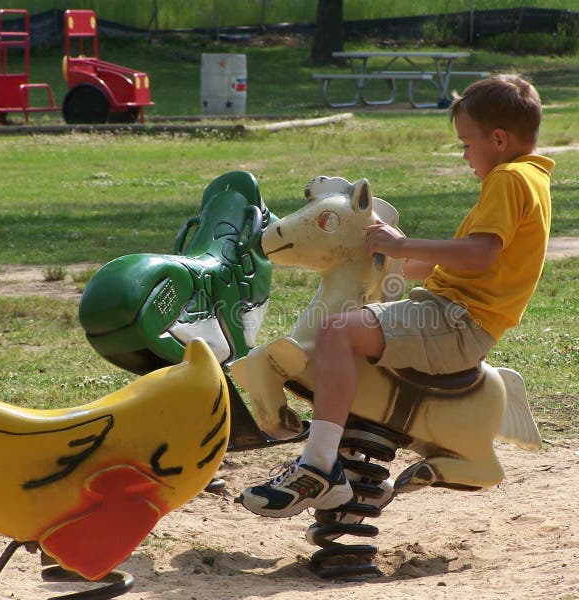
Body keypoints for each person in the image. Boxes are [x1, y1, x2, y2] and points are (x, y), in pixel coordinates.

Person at [237, 73, 554, 518]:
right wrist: (396, 256)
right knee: (351, 330)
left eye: (467, 144)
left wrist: (403, 246)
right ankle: (344, 463)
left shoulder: (509, 179)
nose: (465, 155)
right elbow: (454, 263)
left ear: (498, 139)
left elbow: (479, 254)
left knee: (336, 331)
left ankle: (319, 465)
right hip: (450, 313)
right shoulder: (530, 180)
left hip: (455, 321)